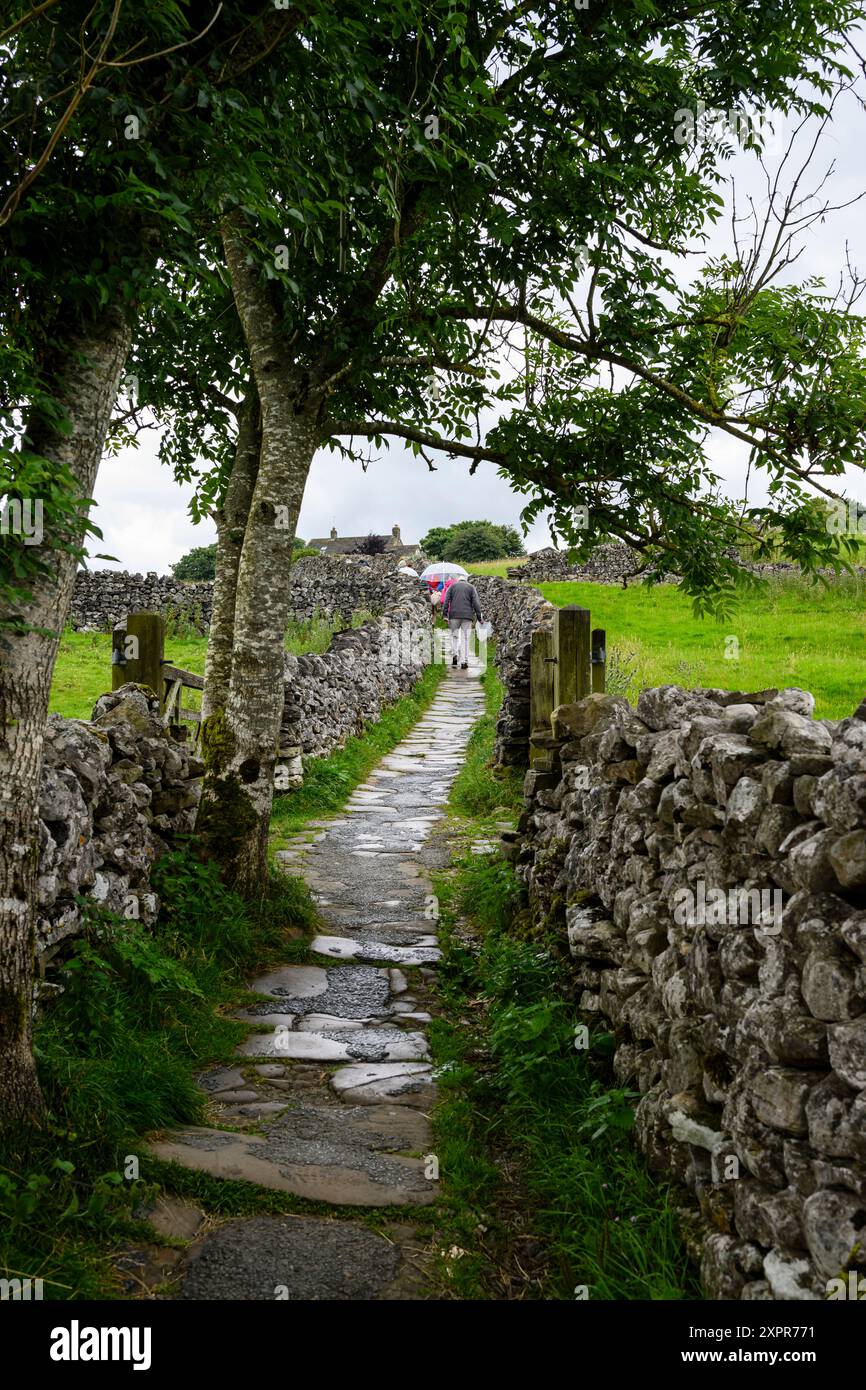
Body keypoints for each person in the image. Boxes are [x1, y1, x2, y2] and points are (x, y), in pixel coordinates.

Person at [442, 576, 483, 669]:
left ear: (458, 580)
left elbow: (446, 601)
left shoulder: (452, 587)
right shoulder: (471, 587)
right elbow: (476, 603)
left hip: (454, 616)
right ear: (466, 580)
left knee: (454, 636)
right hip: (467, 616)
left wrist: (445, 615)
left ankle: (455, 655)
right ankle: (464, 661)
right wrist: (479, 617)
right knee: (465, 639)